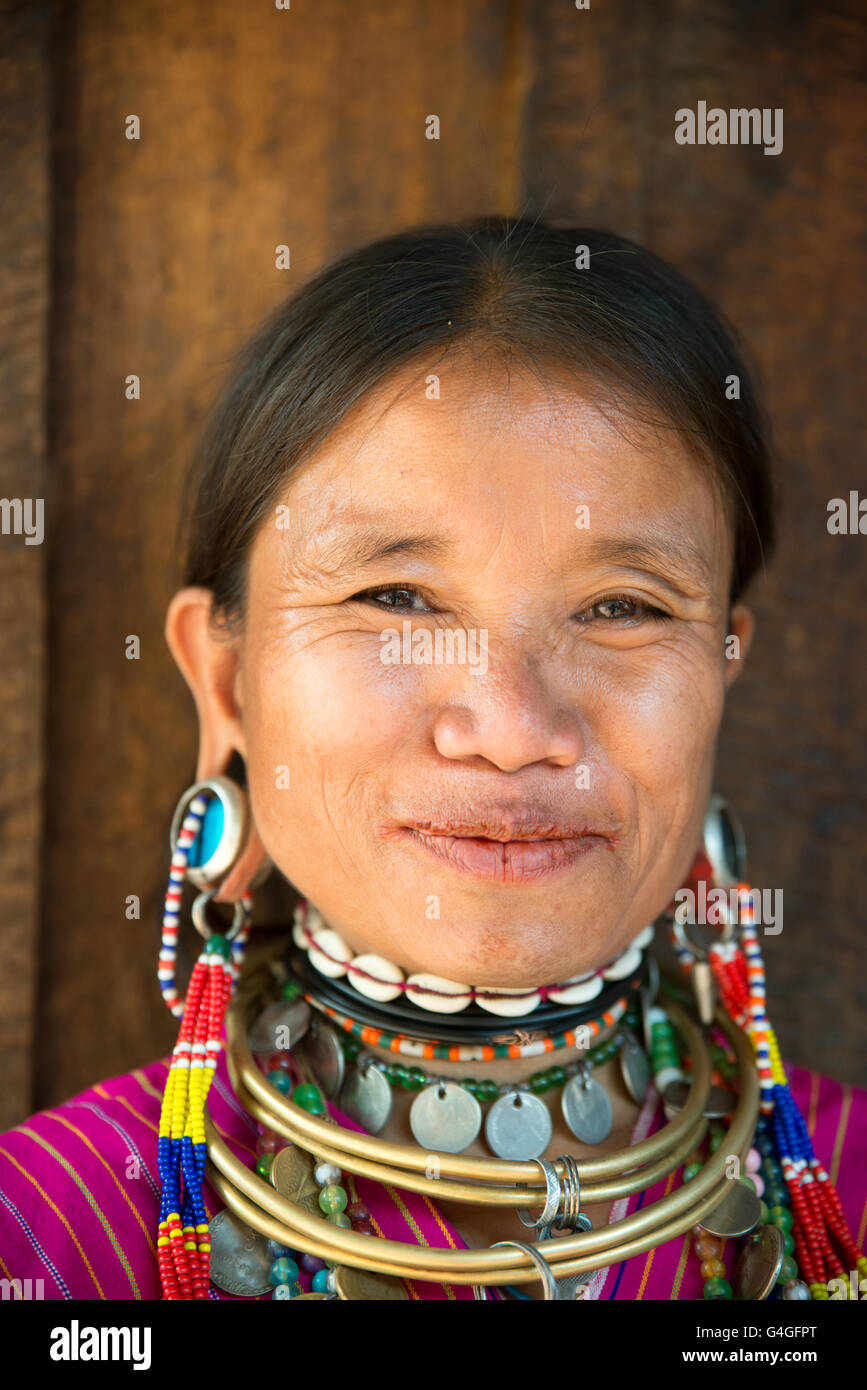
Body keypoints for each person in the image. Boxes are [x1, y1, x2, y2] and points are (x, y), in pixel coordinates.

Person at [2, 215, 864, 1303]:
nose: (510, 727)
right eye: (396, 598)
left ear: (721, 675)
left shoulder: (845, 1205)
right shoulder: (54, 1241)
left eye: (621, 607)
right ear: (226, 686)